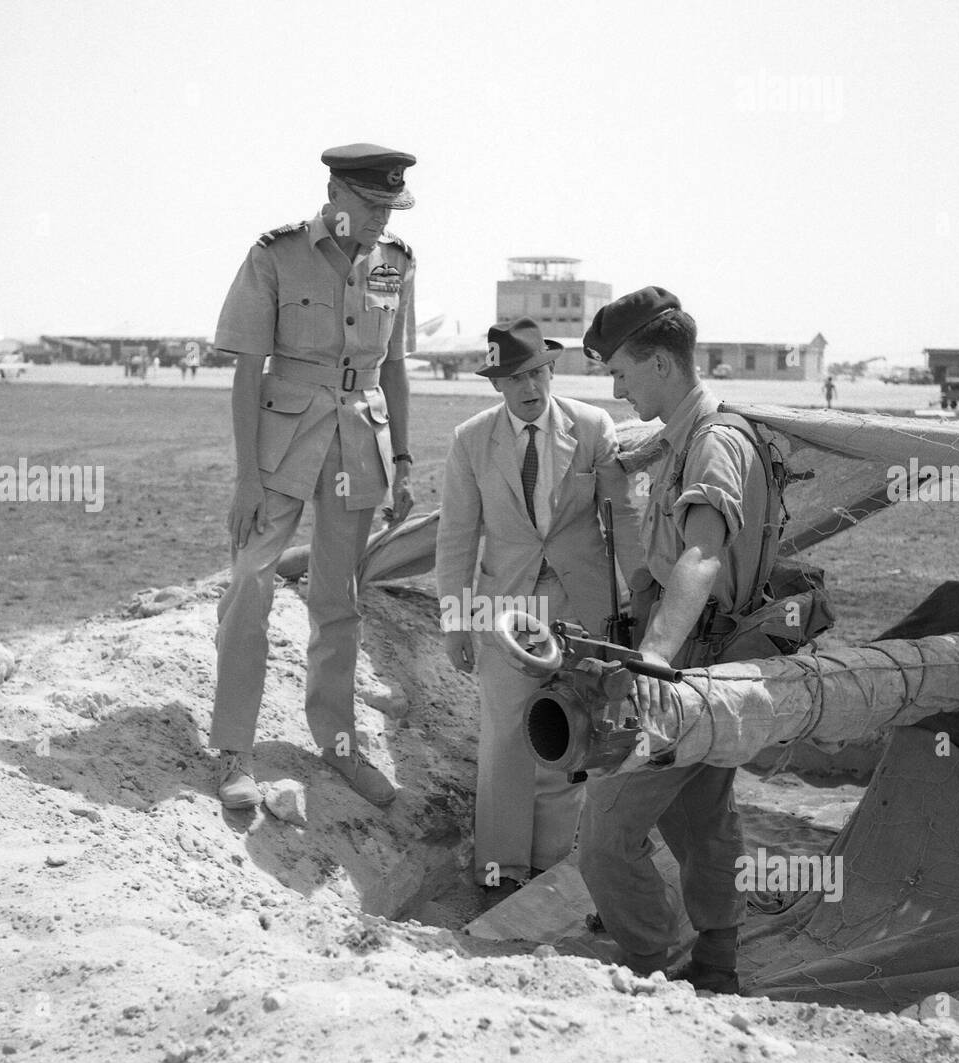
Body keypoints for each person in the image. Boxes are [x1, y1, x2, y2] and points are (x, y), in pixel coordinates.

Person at [577, 287, 781, 992]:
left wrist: (655, 658)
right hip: (714, 652)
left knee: (603, 833)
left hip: (692, 659)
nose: (616, 389)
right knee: (701, 818)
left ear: (661, 363)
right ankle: (718, 965)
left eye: (623, 374)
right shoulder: (687, 433)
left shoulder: (714, 443)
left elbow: (701, 556)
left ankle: (647, 965)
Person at [209, 143, 418, 810]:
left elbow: (392, 368)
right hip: (282, 445)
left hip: (359, 441)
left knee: (339, 599)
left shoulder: (394, 264)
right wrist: (246, 479)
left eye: (391, 205)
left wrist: (405, 459)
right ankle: (234, 750)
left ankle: (338, 742)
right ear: (334, 191)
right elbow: (247, 372)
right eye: (372, 203)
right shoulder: (276, 255)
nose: (383, 216)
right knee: (250, 582)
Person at [436, 318, 642, 888]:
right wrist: (456, 621)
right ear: (496, 384)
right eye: (516, 377)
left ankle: (551, 867)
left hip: (581, 606)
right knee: (505, 737)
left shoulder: (593, 426)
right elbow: (456, 537)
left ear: (551, 370)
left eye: (538, 372)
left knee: (569, 734)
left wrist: (640, 598)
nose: (531, 387)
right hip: (503, 611)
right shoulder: (471, 440)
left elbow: (623, 518)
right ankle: (501, 870)